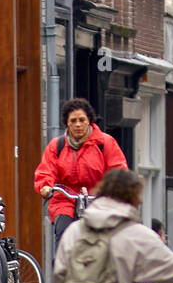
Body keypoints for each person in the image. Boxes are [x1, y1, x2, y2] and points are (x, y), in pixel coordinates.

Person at [35, 98, 127, 246]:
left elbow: (118, 170)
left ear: (89, 121)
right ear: (67, 123)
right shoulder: (57, 146)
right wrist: (45, 186)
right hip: (65, 199)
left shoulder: (104, 143)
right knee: (64, 235)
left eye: (82, 120)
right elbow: (46, 170)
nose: (78, 124)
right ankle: (62, 267)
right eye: (73, 121)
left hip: (97, 198)